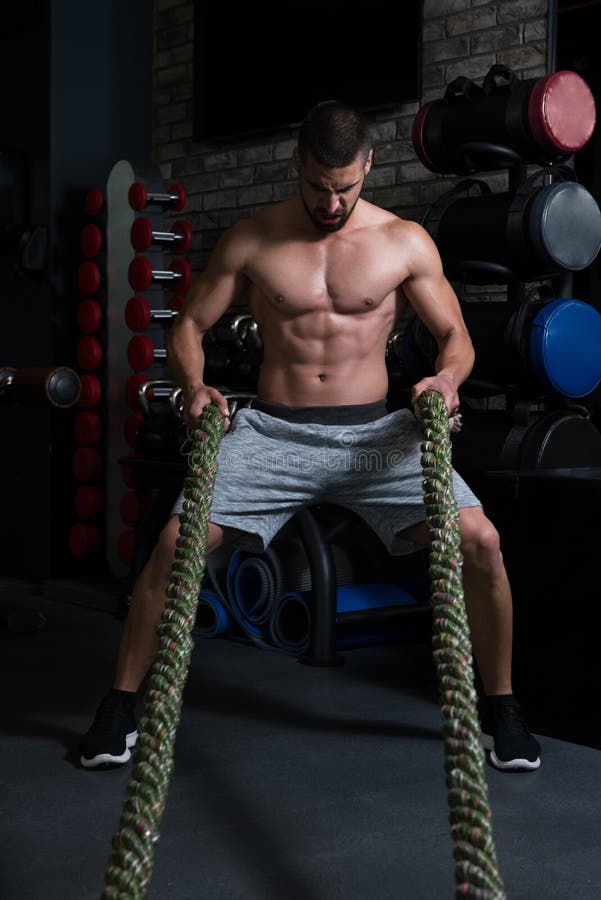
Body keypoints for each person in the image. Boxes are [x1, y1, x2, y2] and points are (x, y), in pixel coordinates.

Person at [80, 100, 541, 772]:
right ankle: (119, 706)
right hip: (272, 432)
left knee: (482, 543)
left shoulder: (403, 241)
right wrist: (196, 386)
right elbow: (186, 327)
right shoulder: (251, 238)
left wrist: (444, 381)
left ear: (367, 168)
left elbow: (455, 338)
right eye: (321, 188)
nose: (332, 203)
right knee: (175, 546)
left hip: (374, 436)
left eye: (347, 188)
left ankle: (499, 707)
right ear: (297, 164)